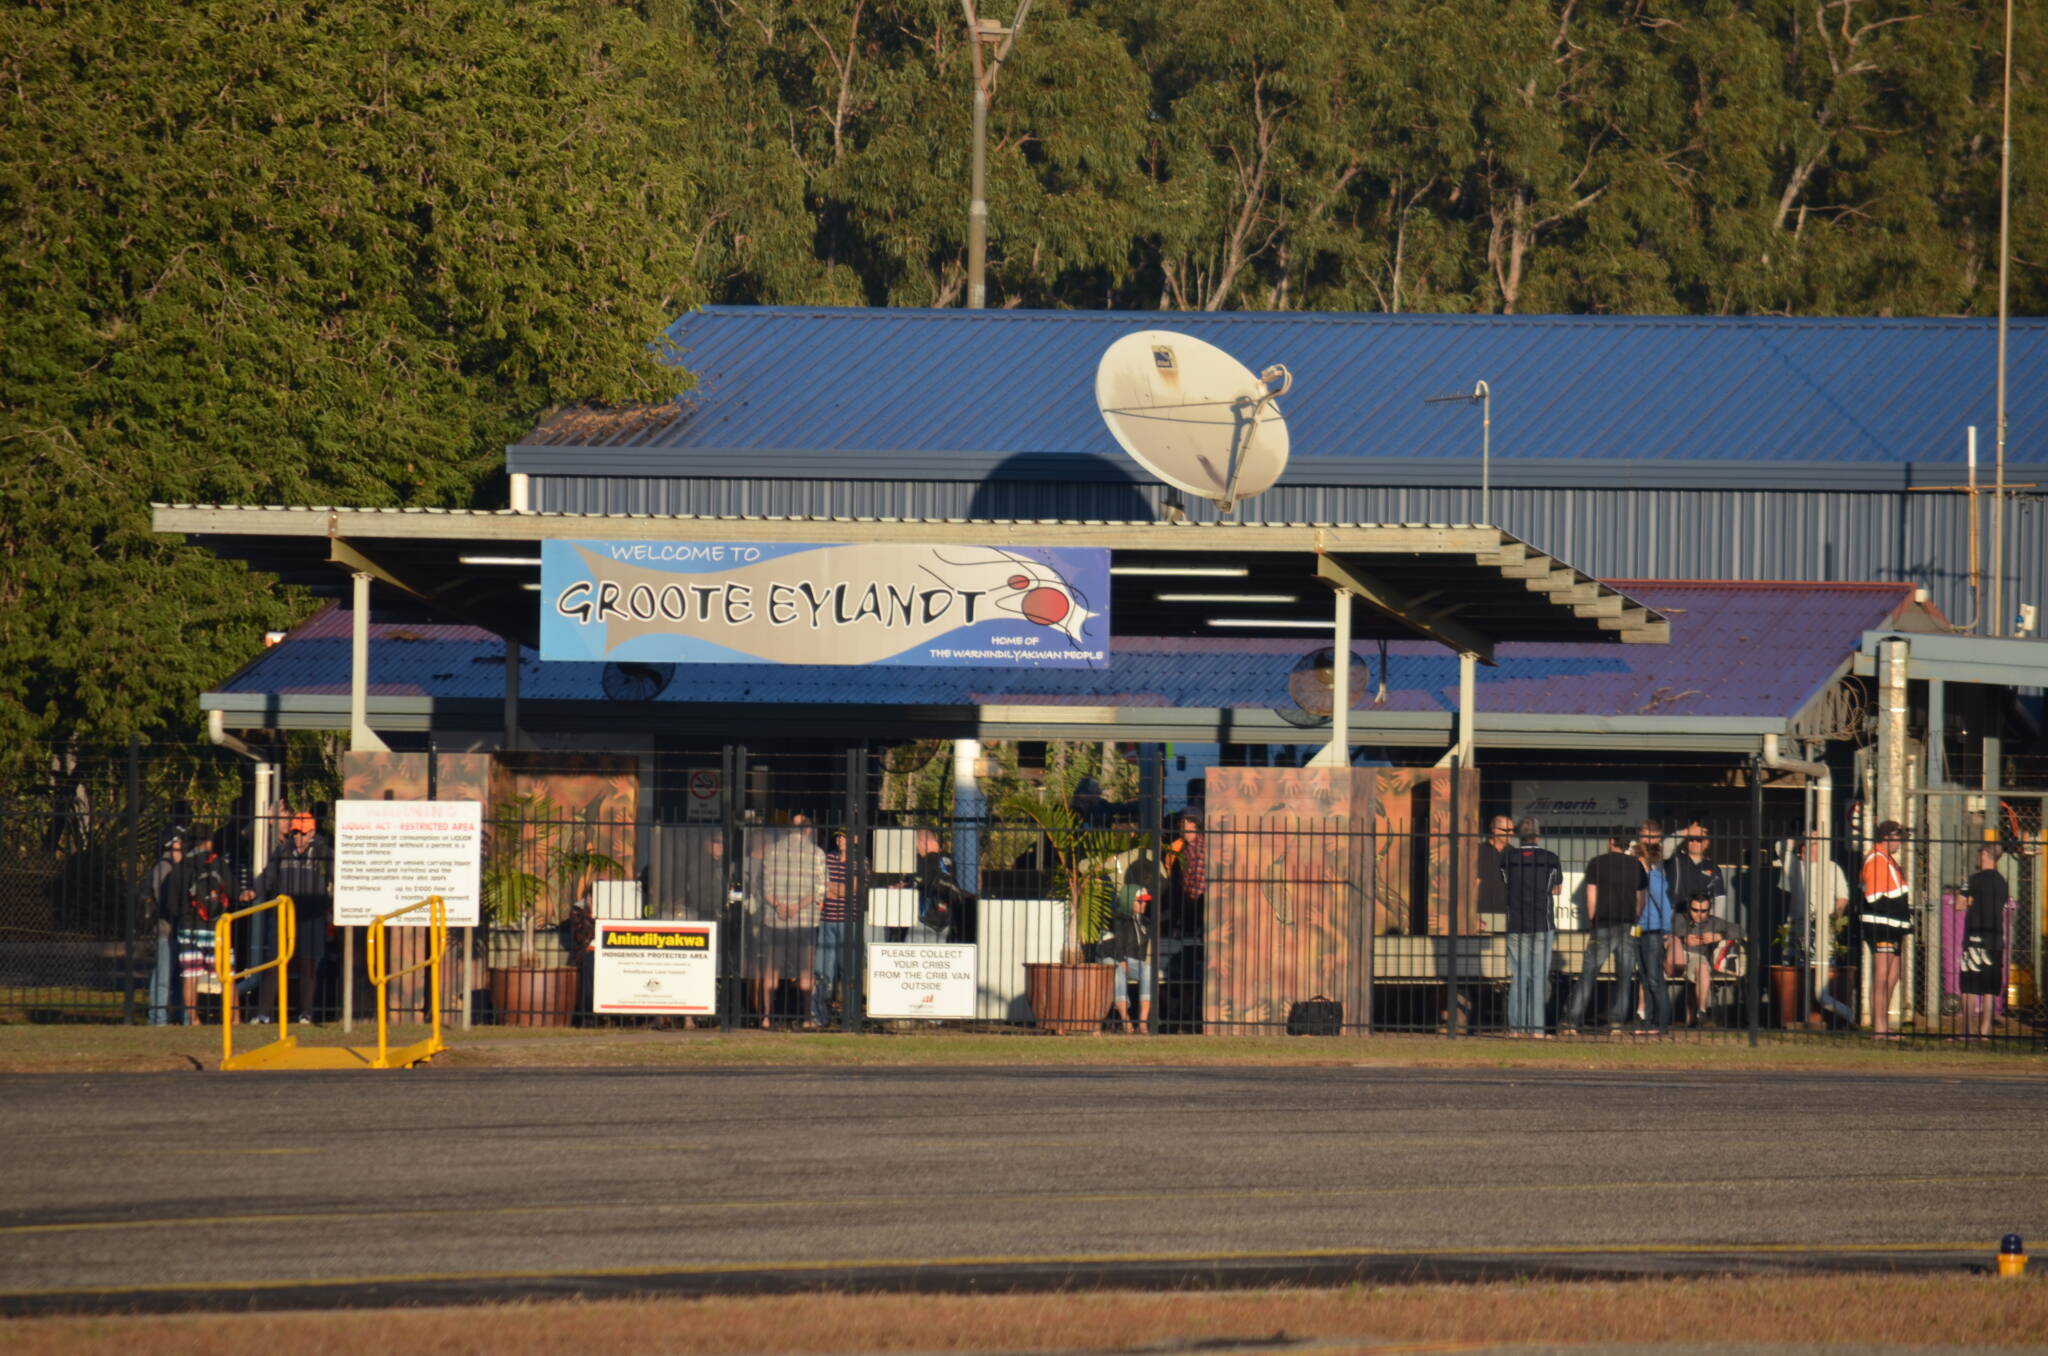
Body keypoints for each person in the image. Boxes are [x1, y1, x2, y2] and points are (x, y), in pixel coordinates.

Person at [244, 809, 332, 1024]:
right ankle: (264, 1013)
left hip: (312, 916)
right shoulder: (282, 851)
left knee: (308, 963)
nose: (298, 837)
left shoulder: (324, 853)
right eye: (295, 832)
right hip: (284, 915)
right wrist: (254, 891)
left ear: (312, 832)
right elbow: (268, 877)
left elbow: (337, 877)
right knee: (275, 961)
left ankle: (306, 1012)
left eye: (302, 833)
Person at [1562, 831, 1645, 1034]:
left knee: (1589, 973)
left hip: (1603, 924)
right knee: (1625, 975)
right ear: (1627, 844)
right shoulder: (1636, 865)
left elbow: (1591, 896)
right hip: (1628, 924)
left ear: (1611, 842)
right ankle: (1616, 1022)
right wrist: (1634, 918)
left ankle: (1572, 1021)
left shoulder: (1597, 863)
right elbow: (1641, 898)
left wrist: (1593, 918)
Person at [748, 819, 827, 1029]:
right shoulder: (817, 854)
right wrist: (797, 907)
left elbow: (763, 888)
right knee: (805, 970)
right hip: (805, 922)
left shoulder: (772, 852)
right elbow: (820, 889)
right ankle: (807, 1018)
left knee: (771, 969)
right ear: (809, 830)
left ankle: (766, 1017)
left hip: (775, 921)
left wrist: (780, 906)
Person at [1499, 817, 1561, 1038]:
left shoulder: (1508, 858)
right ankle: (1537, 1030)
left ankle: (1516, 1029)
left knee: (1518, 975)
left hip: (1516, 922)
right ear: (1538, 834)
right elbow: (1557, 889)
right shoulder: (1550, 859)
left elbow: (1506, 883)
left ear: (1518, 835)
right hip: (1542, 923)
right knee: (1538, 976)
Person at [1858, 820, 1913, 1038]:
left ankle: (1884, 1021)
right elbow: (1873, 896)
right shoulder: (1876, 860)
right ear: (1887, 837)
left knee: (1894, 973)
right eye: (1898, 837)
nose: (1900, 842)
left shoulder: (1888, 860)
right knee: (1882, 974)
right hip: (1883, 925)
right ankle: (1879, 1027)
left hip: (1895, 925)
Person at [1959, 845, 2010, 1039]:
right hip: (1995, 938)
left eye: (1980, 854)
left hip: (1975, 937)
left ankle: (1967, 1031)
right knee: (1989, 988)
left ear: (1986, 855)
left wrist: (1970, 900)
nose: (1979, 858)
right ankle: (1985, 1031)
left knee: (1969, 986)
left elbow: (1959, 903)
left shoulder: (1974, 879)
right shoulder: (2002, 882)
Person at [1675, 888, 1740, 1027]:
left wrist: (1718, 936)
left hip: (1698, 958)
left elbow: (1739, 930)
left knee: (1703, 968)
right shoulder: (1678, 918)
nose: (1699, 914)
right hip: (1677, 956)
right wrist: (1682, 939)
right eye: (1694, 910)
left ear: (1709, 910)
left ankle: (1701, 1012)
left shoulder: (1713, 922)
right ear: (1688, 908)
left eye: (1703, 911)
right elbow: (1664, 934)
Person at [1631, 821, 1674, 1035]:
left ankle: (1661, 1024)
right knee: (1646, 978)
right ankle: (1649, 1022)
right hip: (1639, 929)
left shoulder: (1653, 875)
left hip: (1654, 930)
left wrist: (1667, 931)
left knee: (1655, 978)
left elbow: (1663, 904)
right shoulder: (1646, 873)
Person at [143, 832, 185, 1025]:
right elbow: (162, 899)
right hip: (166, 928)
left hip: (179, 929)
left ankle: (176, 1013)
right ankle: (157, 1017)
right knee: (163, 976)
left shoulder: (180, 868)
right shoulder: (163, 867)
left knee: (178, 976)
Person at [810, 828, 851, 1030]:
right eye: (839, 837)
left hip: (848, 921)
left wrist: (833, 888)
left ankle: (849, 1018)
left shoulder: (861, 861)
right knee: (823, 970)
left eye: (845, 836)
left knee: (847, 970)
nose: (841, 840)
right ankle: (820, 1016)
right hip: (826, 920)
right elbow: (821, 886)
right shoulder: (828, 859)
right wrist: (837, 889)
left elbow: (852, 890)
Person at [1106, 887, 1157, 1034]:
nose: (1143, 904)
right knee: (1118, 970)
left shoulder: (1145, 922)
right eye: (1139, 901)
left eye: (1145, 902)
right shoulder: (1117, 919)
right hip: (1114, 959)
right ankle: (1125, 1020)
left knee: (1147, 970)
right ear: (1129, 902)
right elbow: (1113, 944)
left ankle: (1143, 1022)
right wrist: (1121, 959)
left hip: (1133, 961)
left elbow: (1142, 951)